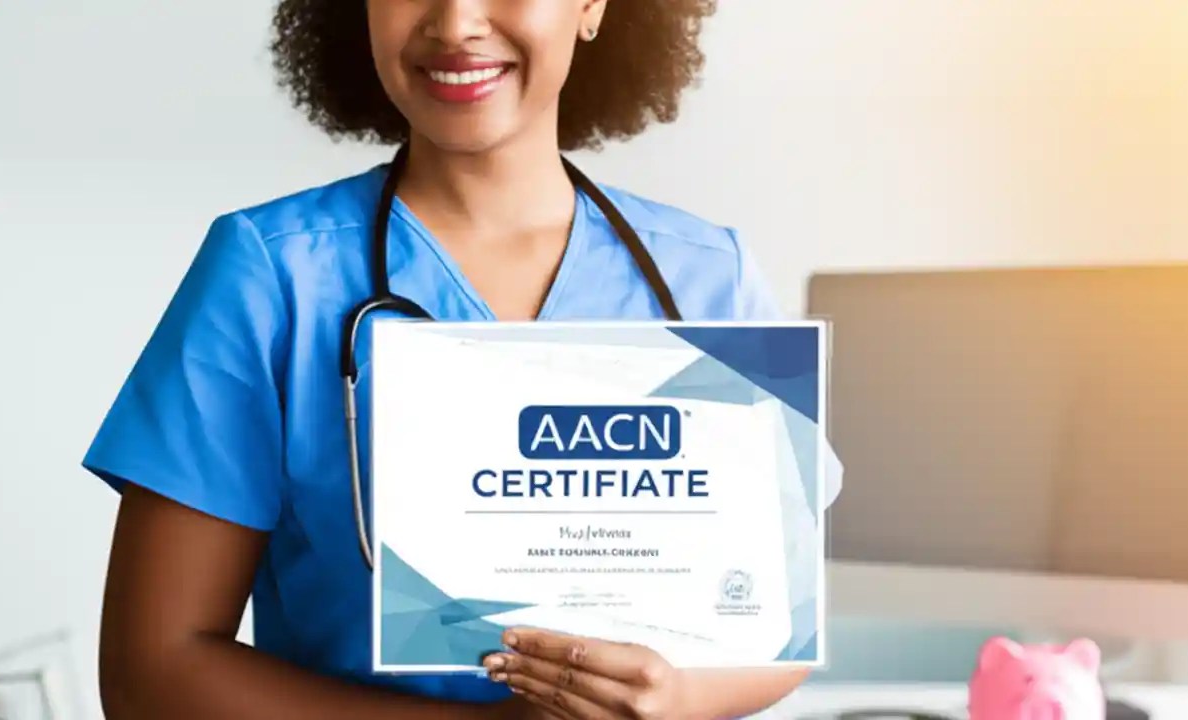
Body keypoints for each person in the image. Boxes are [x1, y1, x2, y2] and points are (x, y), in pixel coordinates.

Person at [86, 1, 841, 718]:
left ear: (592, 6)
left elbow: (779, 622)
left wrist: (678, 699)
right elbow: (153, 673)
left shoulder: (710, 277)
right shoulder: (273, 276)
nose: (455, 22)